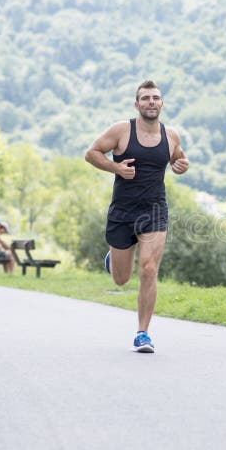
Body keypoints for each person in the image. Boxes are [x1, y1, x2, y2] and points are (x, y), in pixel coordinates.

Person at [84, 79, 189, 353]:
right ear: (137, 104)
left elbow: (178, 158)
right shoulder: (122, 130)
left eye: (155, 98)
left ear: (162, 103)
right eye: (145, 98)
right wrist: (116, 168)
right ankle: (114, 259)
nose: (151, 102)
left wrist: (181, 165)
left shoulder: (171, 135)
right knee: (121, 279)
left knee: (148, 269)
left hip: (154, 211)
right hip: (122, 211)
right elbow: (91, 153)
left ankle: (143, 333)